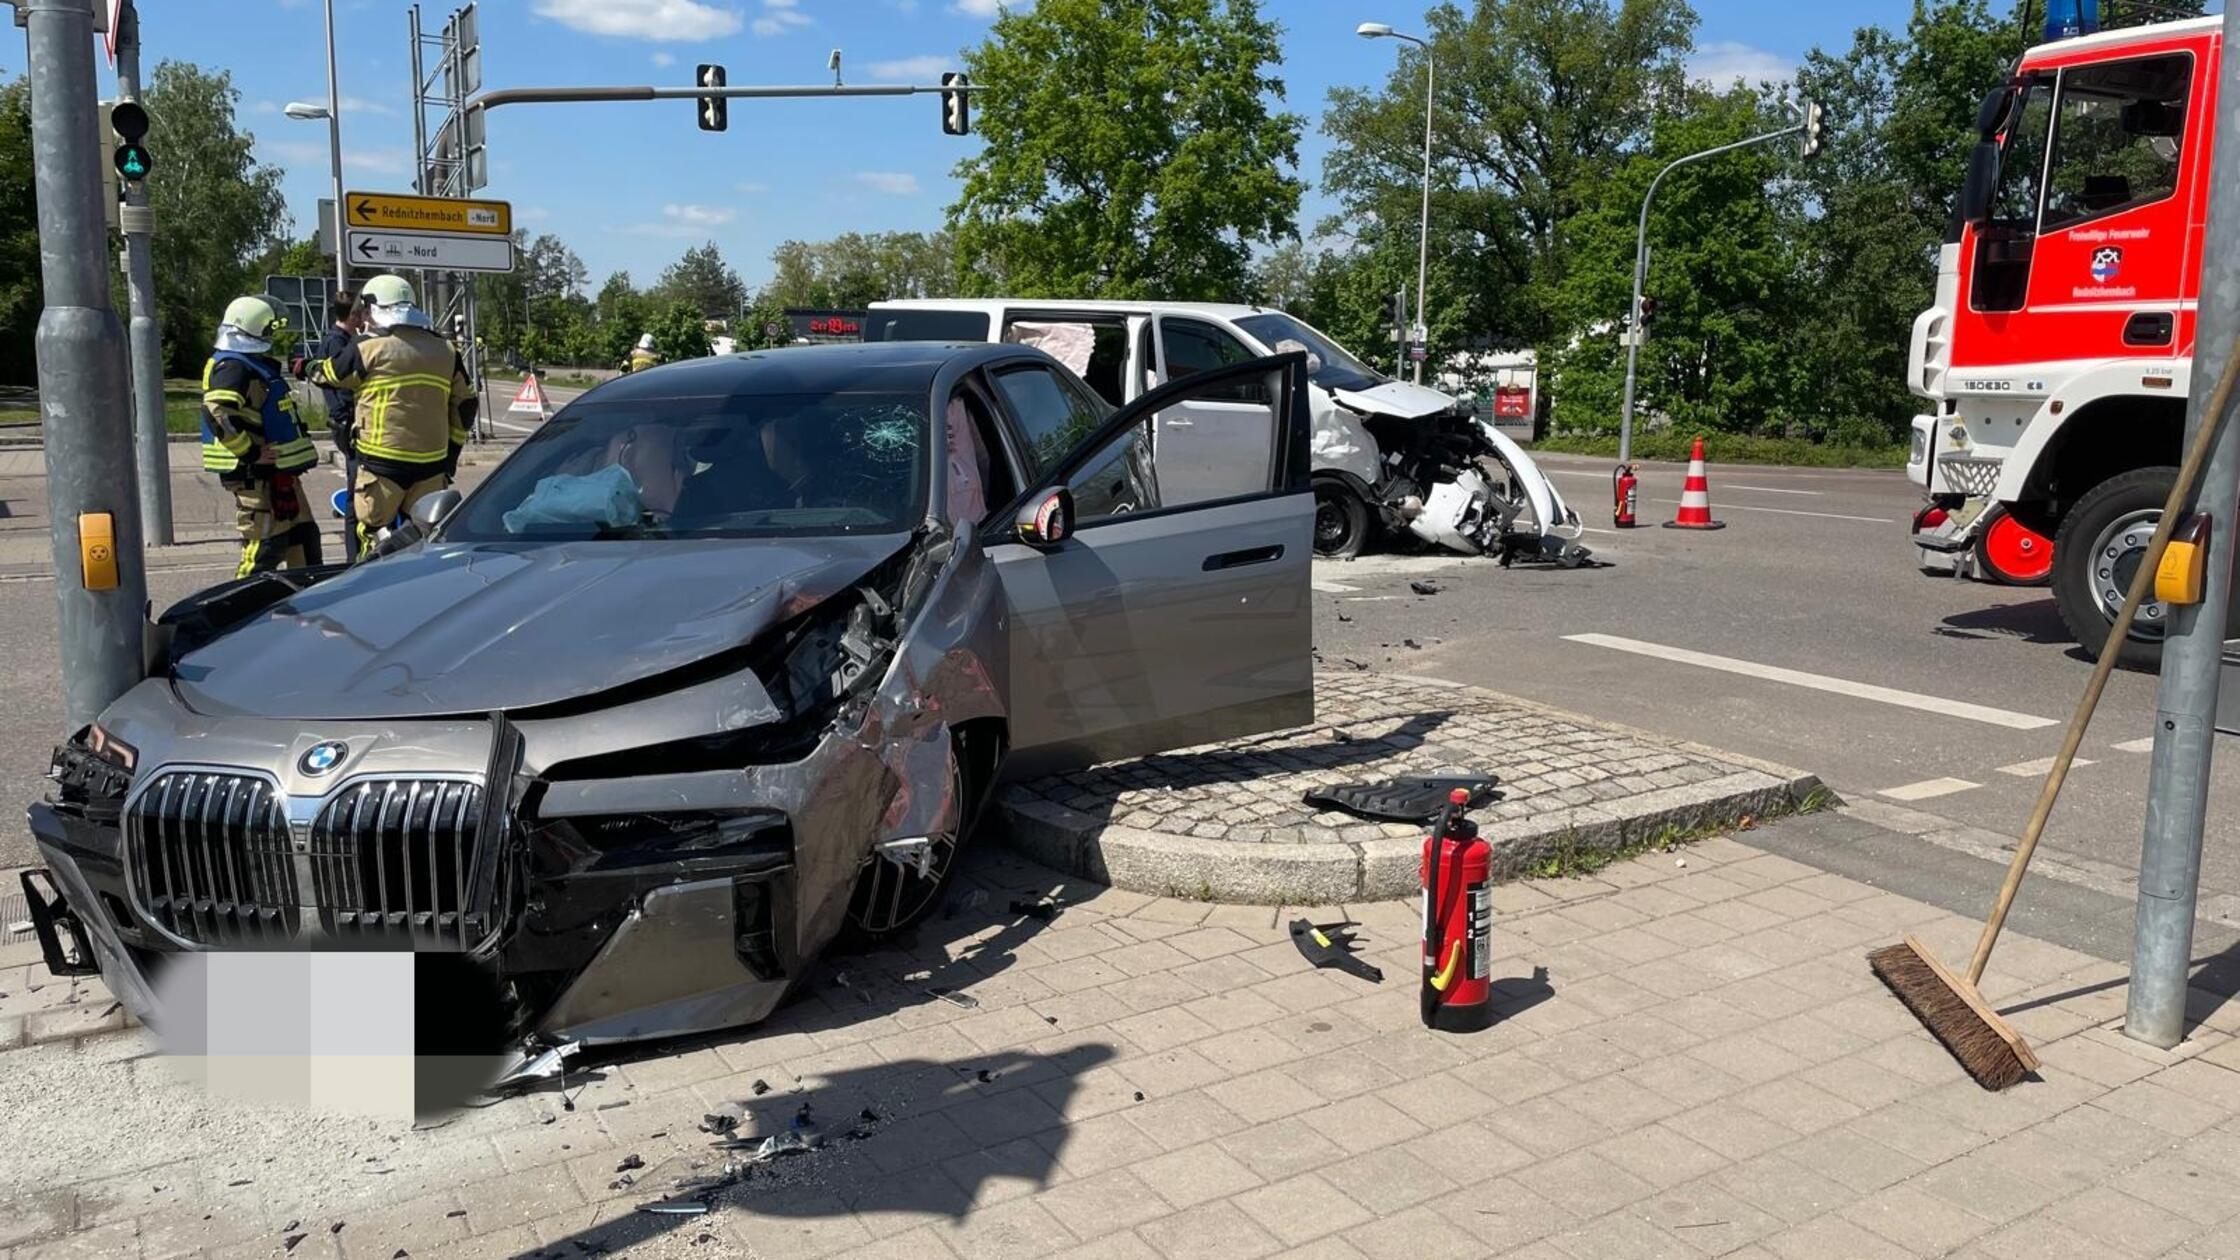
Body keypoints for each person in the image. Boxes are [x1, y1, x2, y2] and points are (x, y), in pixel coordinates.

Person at [305, 274, 474, 554]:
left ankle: (369, 594)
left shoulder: (368, 346)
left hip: (381, 463)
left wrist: (307, 366)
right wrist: (451, 454)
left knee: (371, 540)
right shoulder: (446, 349)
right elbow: (466, 405)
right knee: (425, 539)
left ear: (374, 307)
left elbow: (328, 374)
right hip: (432, 464)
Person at [201, 296, 322, 576]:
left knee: (303, 538)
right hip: (254, 475)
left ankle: (306, 603)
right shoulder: (233, 367)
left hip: (277, 474)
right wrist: (251, 453)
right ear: (252, 329)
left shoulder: (249, 364)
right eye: (267, 330)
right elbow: (217, 411)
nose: (271, 335)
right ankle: (237, 608)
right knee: (266, 546)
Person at [314, 291, 364, 559]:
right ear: (353, 316)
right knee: (356, 493)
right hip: (347, 421)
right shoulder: (338, 344)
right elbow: (342, 385)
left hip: (345, 420)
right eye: (360, 314)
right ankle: (354, 556)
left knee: (359, 489)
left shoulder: (341, 340)